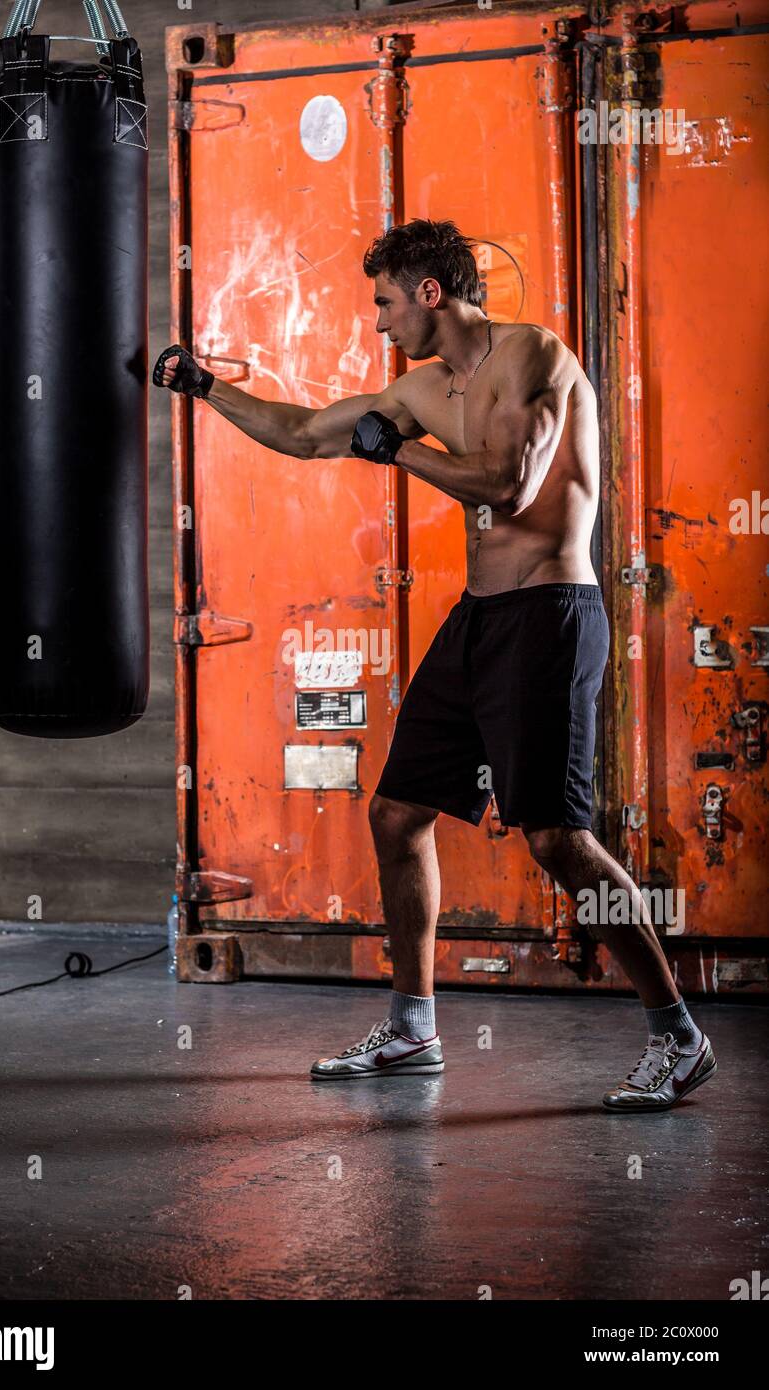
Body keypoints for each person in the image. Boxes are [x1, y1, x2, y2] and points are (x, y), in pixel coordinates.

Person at [153, 218, 716, 1112]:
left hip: (550, 615)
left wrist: (402, 451)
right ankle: (413, 1029)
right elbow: (304, 433)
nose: (376, 324)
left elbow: (508, 486)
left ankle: (678, 1036)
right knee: (398, 811)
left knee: (554, 839)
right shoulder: (425, 385)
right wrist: (204, 388)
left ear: (427, 294)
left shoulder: (534, 355)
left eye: (383, 303)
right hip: (481, 620)